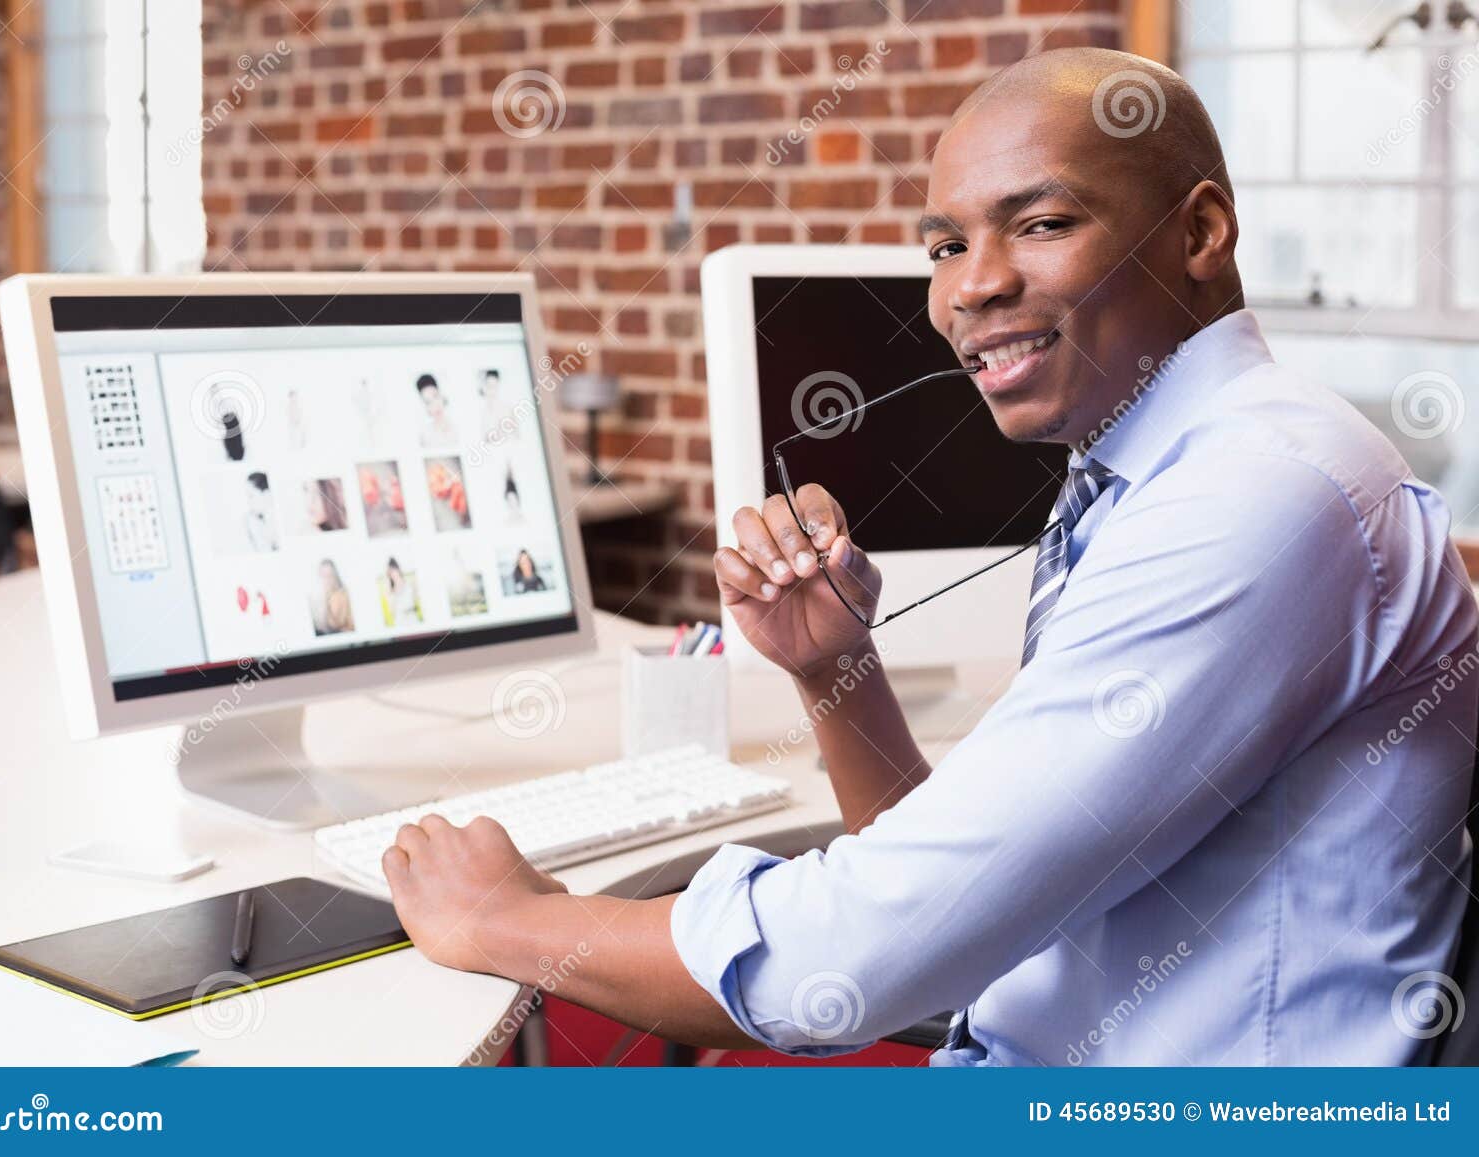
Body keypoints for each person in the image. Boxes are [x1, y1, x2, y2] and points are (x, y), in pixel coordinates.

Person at [375, 49, 1479, 1065]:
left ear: (1199, 234)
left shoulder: (1257, 496)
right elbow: (966, 906)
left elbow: (843, 963)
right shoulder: (1160, 465)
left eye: (1040, 223)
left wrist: (504, 917)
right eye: (946, 244)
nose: (970, 286)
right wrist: (831, 670)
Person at [312, 558, 354, 635]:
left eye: (330, 575)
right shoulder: (320, 596)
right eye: (323, 576)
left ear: (335, 575)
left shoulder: (342, 594)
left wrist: (326, 600)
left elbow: (337, 624)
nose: (327, 580)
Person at [417, 373, 460, 447]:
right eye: (428, 402)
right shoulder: (425, 435)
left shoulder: (458, 425)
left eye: (435, 396)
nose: (435, 405)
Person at [243, 471, 278, 552]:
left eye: (251, 496)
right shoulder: (251, 521)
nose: (248, 502)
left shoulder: (275, 520)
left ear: (266, 494)